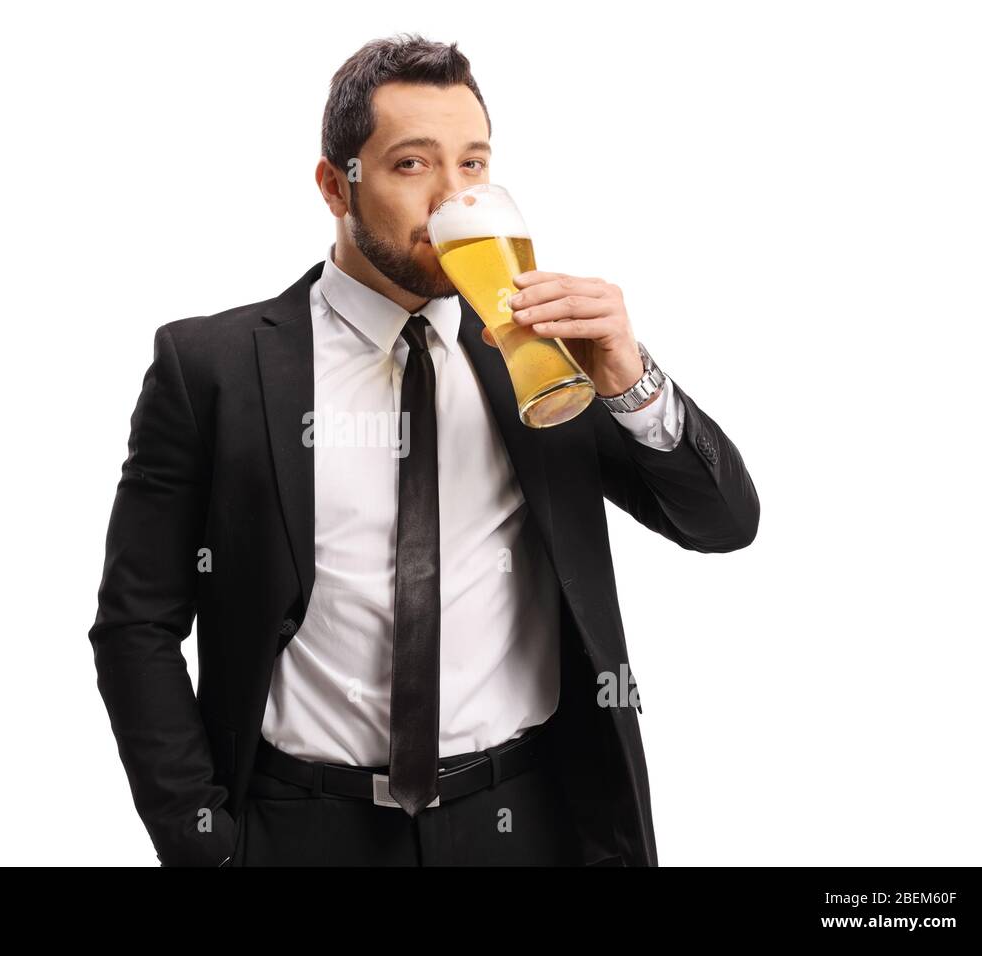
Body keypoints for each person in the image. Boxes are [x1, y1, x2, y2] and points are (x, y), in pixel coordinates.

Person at [86, 33, 759, 867]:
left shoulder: (541, 352)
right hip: (302, 830)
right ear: (337, 184)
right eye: (413, 165)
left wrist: (630, 375)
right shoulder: (213, 368)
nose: (453, 201)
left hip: (528, 821)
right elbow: (135, 625)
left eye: (473, 165)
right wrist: (205, 844)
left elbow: (722, 522)